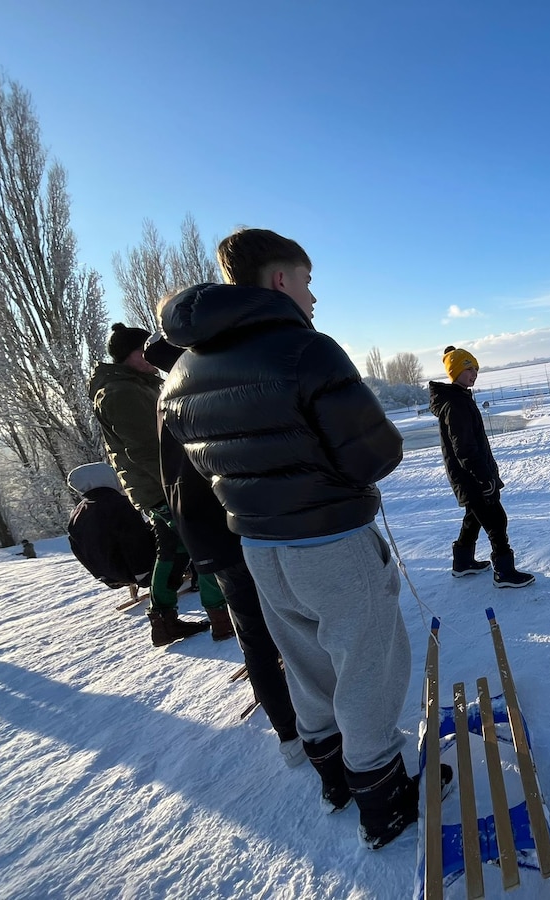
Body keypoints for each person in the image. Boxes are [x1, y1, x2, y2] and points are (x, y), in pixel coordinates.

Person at [160, 228, 419, 850]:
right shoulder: (306, 350)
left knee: (305, 662)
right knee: (367, 663)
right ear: (280, 280)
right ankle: (382, 797)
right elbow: (374, 454)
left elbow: (195, 470)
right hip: (328, 538)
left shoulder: (183, 371)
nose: (312, 296)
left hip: (256, 546)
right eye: (306, 281)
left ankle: (333, 776)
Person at [144, 335, 302, 767]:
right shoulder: (200, 394)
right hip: (241, 526)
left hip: (206, 532)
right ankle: (311, 723)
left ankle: (288, 733)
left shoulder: (166, 400)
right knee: (288, 620)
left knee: (254, 630)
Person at [89, 323, 221, 645]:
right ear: (126, 356)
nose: (149, 357)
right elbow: (145, 450)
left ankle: (164, 621)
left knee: (173, 546)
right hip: (162, 483)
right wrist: (178, 485)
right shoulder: (121, 392)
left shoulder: (137, 384)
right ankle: (220, 612)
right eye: (141, 352)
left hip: (161, 481)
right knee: (201, 540)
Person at [429, 346, 535, 587]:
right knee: (496, 519)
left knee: (474, 516)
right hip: (471, 475)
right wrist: (483, 476)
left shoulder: (460, 398)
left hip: (472, 473)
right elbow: (463, 446)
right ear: (455, 372)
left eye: (476, 369)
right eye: (468, 369)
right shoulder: (455, 404)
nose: (474, 373)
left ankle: (462, 563)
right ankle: (504, 572)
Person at [66, 462, 155, 590]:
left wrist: (101, 575)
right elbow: (134, 540)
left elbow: (79, 551)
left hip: (109, 576)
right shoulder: (120, 504)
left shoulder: (76, 514)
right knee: (163, 525)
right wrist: (143, 575)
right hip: (138, 572)